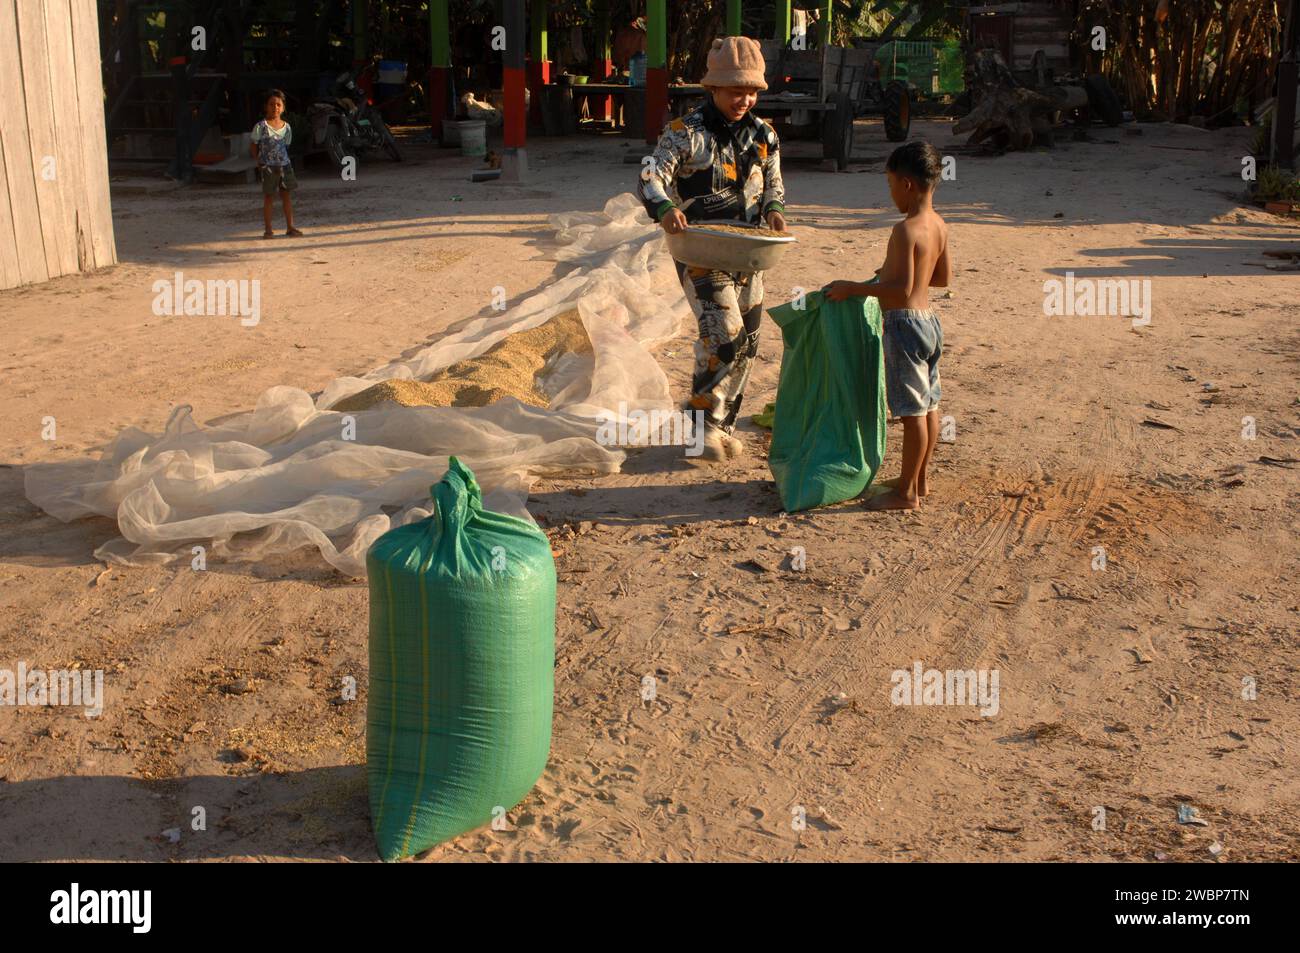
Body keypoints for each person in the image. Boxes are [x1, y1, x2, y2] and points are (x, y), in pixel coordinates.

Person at [637, 36, 787, 461]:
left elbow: (774, 184)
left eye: (752, 91)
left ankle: (720, 426)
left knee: (750, 343)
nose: (744, 99)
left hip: (751, 252)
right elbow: (650, 176)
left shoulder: (765, 135)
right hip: (700, 251)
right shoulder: (684, 134)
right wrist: (665, 207)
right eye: (735, 90)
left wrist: (775, 209)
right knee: (724, 336)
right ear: (714, 90)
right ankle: (700, 428)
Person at [825, 140, 950, 509]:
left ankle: (906, 494)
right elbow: (941, 278)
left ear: (907, 185)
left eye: (891, 184)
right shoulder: (939, 225)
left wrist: (853, 288)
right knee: (930, 405)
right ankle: (919, 479)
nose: (891, 192)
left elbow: (900, 290)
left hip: (903, 326)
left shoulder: (905, 229)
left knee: (911, 412)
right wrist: (892, 273)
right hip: (930, 322)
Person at [250, 90, 302, 239]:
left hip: (285, 166)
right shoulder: (261, 126)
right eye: (272, 104)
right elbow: (253, 145)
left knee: (286, 197)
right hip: (268, 167)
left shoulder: (287, 127)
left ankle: (290, 227)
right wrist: (258, 160)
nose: (275, 107)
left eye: (278, 104)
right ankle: (268, 230)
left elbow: (286, 146)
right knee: (269, 198)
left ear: (283, 107)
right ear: (266, 106)